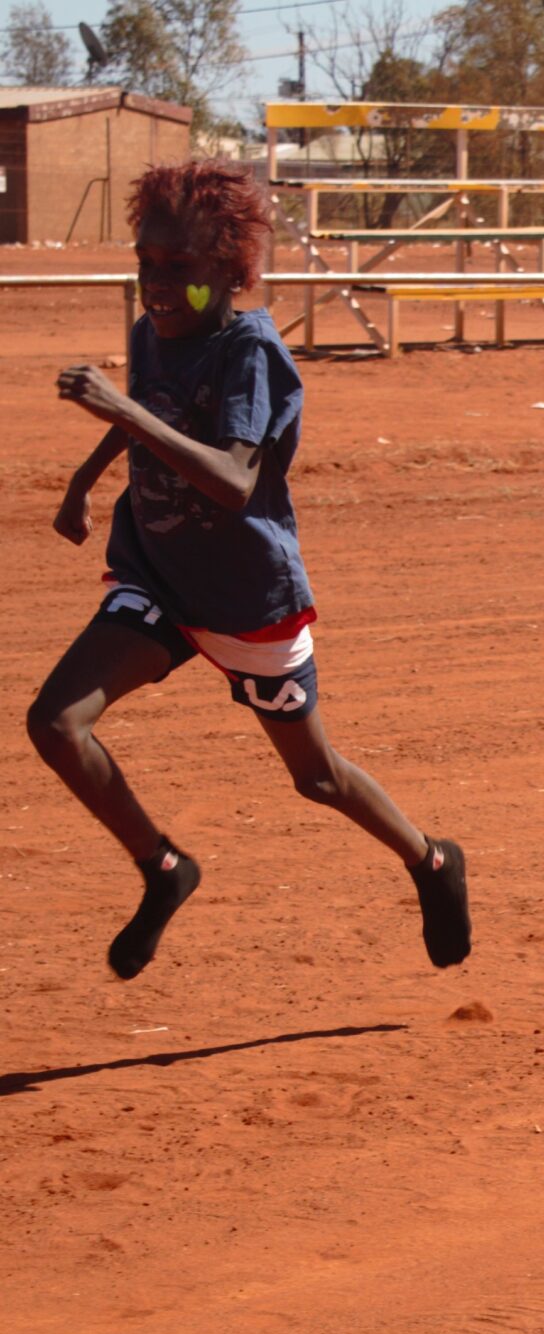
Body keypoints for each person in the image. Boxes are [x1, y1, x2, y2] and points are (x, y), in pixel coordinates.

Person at [29, 159, 470, 979]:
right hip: (157, 577)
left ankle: (431, 859)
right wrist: (83, 482)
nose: (158, 285)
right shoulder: (154, 332)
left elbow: (233, 481)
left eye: (179, 267)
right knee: (55, 724)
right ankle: (164, 868)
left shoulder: (250, 352)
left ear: (230, 270)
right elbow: (152, 411)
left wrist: (117, 407)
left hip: (245, 600)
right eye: (146, 263)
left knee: (318, 779)